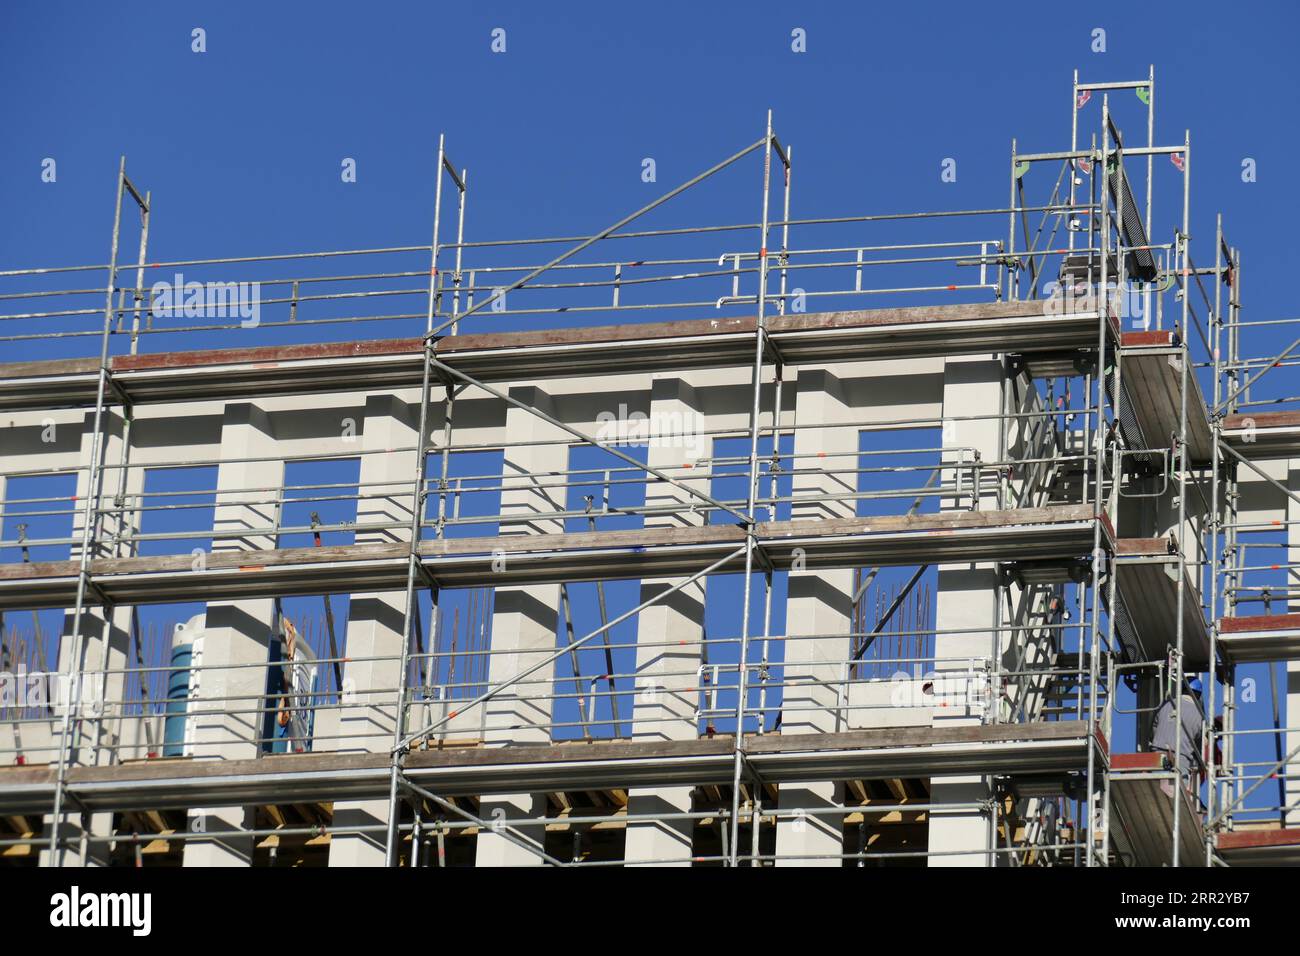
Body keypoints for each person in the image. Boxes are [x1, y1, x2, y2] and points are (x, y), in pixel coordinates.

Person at [1151, 677, 1206, 790]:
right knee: (1177, 797)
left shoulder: (1165, 706)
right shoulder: (1199, 716)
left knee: (1155, 791)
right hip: (1181, 758)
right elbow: (1200, 746)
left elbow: (1153, 729)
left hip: (1157, 755)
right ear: (1198, 695)